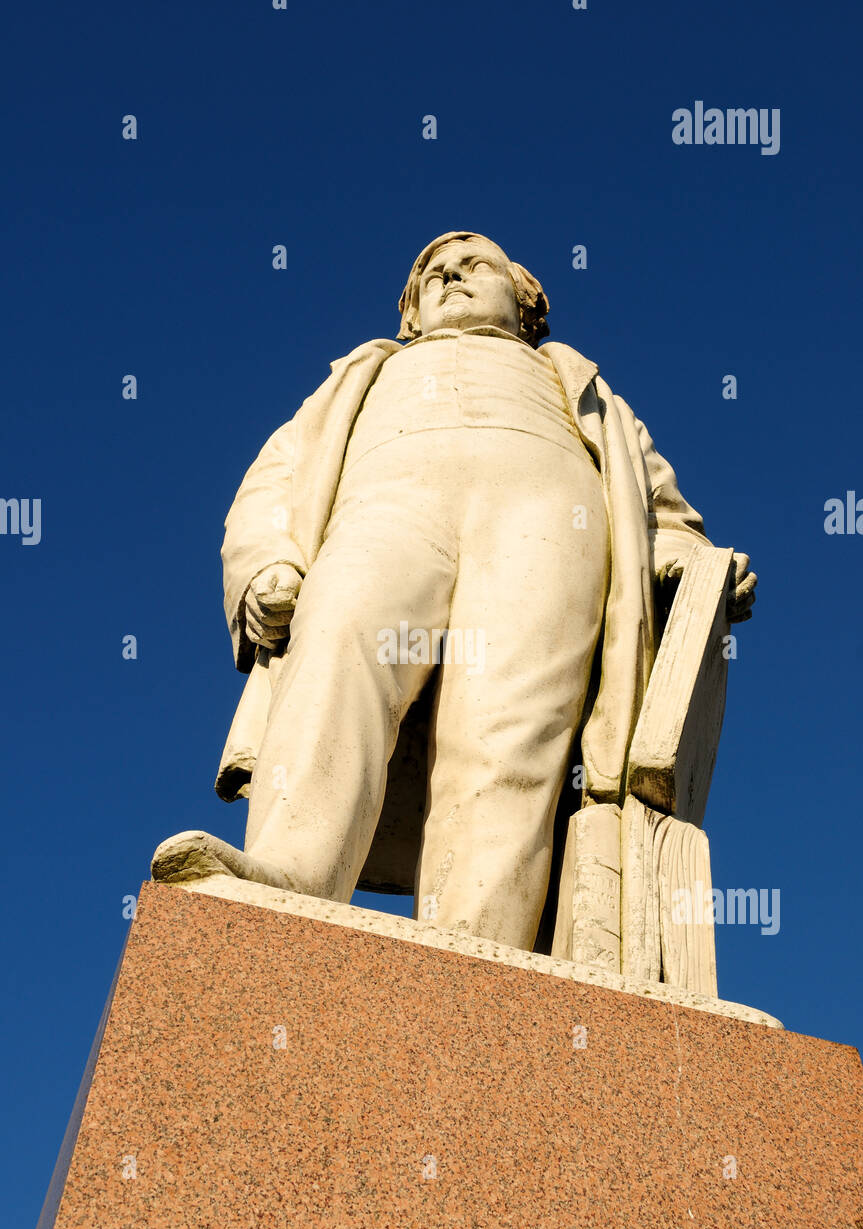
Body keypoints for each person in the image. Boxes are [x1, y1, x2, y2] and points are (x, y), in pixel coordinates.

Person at [152, 231, 755, 951]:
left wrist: (686, 562)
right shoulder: (360, 378)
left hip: (548, 518)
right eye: (429, 275)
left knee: (511, 723)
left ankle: (478, 937)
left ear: (527, 306)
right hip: (387, 506)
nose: (448, 276)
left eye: (475, 267)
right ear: (409, 315)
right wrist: (266, 564)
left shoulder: (580, 386)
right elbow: (274, 483)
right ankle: (292, 871)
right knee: (338, 642)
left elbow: (659, 509)